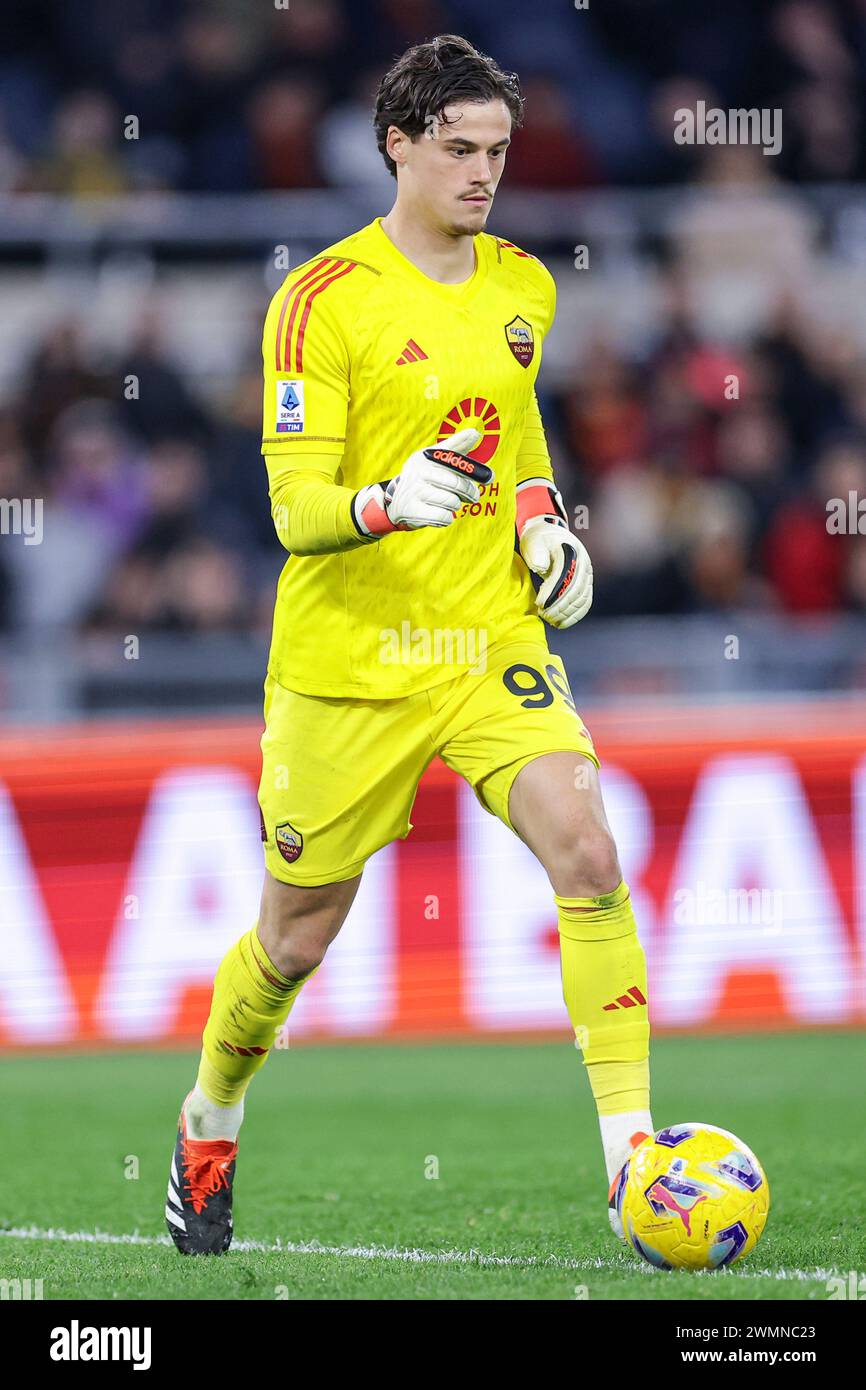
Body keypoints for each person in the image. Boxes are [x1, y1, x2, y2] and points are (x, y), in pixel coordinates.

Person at [165, 33, 651, 1256]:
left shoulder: (523, 285)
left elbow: (519, 440)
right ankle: (209, 1118)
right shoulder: (320, 299)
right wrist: (385, 501)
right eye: (458, 149)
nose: (483, 173)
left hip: (490, 638)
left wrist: (547, 528)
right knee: (294, 937)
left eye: (497, 150)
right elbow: (293, 511)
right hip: (351, 665)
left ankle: (633, 1168)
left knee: (588, 851)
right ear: (398, 145)